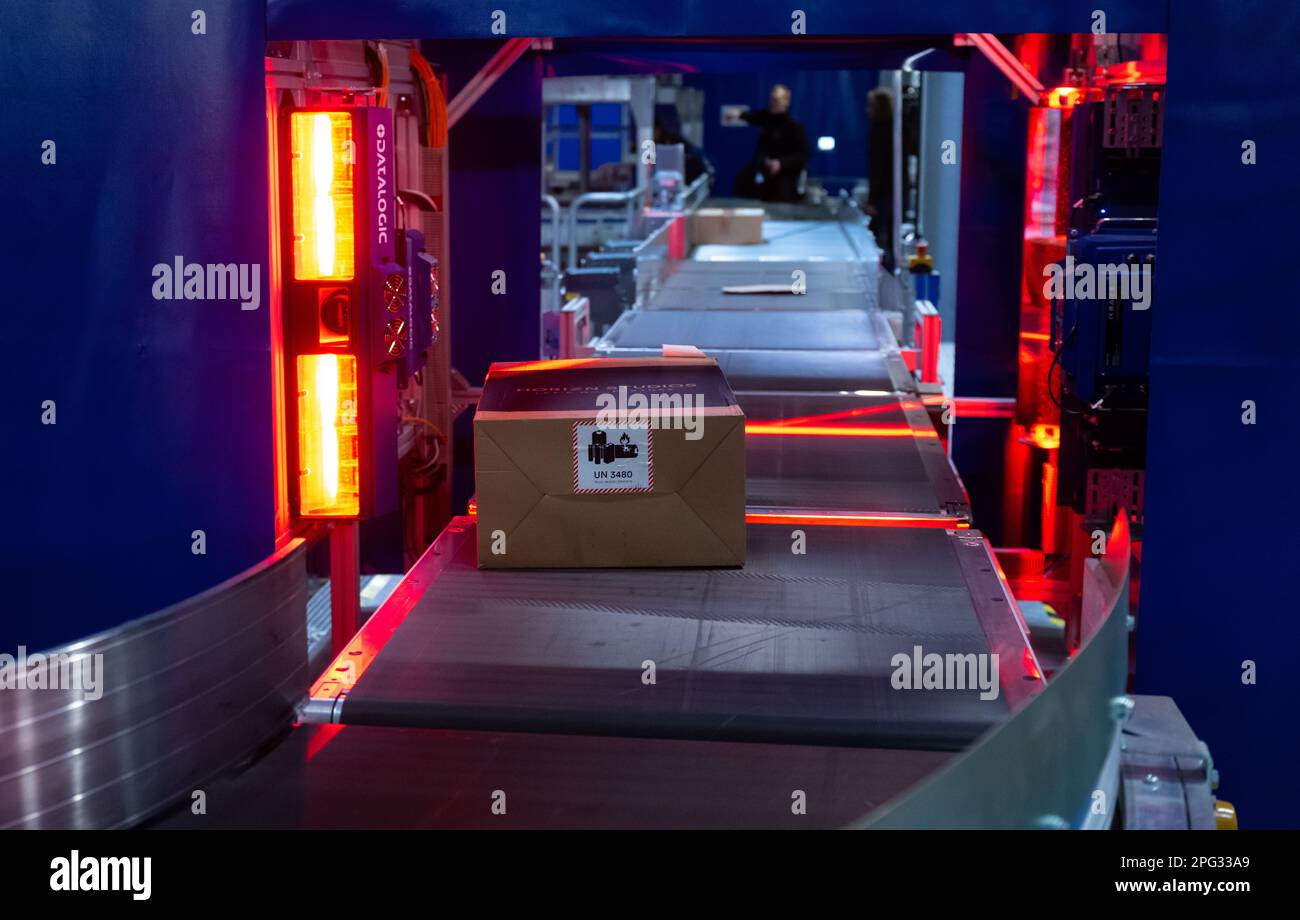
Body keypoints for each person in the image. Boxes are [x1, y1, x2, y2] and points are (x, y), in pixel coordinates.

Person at [734, 84, 810, 203]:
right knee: (743, 181)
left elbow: (803, 155)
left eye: (776, 100)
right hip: (764, 176)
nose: (773, 103)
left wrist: (780, 163)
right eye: (771, 99)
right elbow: (754, 116)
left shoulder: (795, 128)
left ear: (786, 102)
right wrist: (738, 114)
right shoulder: (767, 120)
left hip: (786, 180)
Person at [865, 87, 895, 269]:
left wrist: (872, 200)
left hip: (884, 193)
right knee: (887, 232)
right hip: (892, 191)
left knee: (880, 233)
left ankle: (884, 267)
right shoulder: (896, 129)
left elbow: (878, 167)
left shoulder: (880, 132)